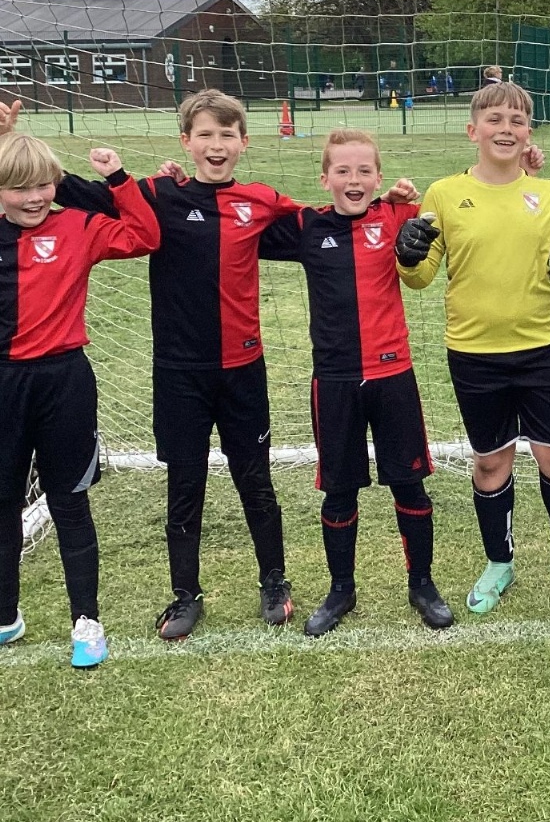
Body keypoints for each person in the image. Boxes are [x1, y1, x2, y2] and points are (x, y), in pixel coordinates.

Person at [14, 90, 305, 640]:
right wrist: (11, 139)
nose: (215, 145)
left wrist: (392, 214)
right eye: (204, 134)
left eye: (226, 134)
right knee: (185, 484)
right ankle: (185, 595)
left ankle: (274, 581)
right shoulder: (156, 192)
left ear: (244, 141)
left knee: (255, 482)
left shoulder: (261, 200)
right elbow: (74, 191)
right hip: (179, 374)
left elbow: (323, 226)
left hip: (243, 370)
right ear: (185, 141)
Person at [396, 82, 550, 613]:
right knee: (491, 464)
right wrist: (406, 251)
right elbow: (419, 279)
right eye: (494, 119)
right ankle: (500, 561)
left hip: (540, 350)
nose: (505, 128)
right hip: (473, 354)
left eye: (516, 120)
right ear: (473, 131)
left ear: (529, 131)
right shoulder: (443, 194)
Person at [261, 130, 453, 636]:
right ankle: (341, 589)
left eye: (364, 170)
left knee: (409, 483)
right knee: (340, 492)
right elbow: (237, 229)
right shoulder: (306, 225)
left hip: (393, 376)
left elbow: (451, 223)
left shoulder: (395, 218)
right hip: (335, 380)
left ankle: (422, 584)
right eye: (342, 171)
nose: (354, 179)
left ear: (379, 178)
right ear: (324, 179)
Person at [0, 135, 160, 667]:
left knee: (69, 501)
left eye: (44, 184)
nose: (34, 197)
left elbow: (145, 234)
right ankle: (6, 615)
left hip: (64, 382)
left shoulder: (77, 226)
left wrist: (115, 179)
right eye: (19, 187)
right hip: (4, 385)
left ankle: (86, 622)